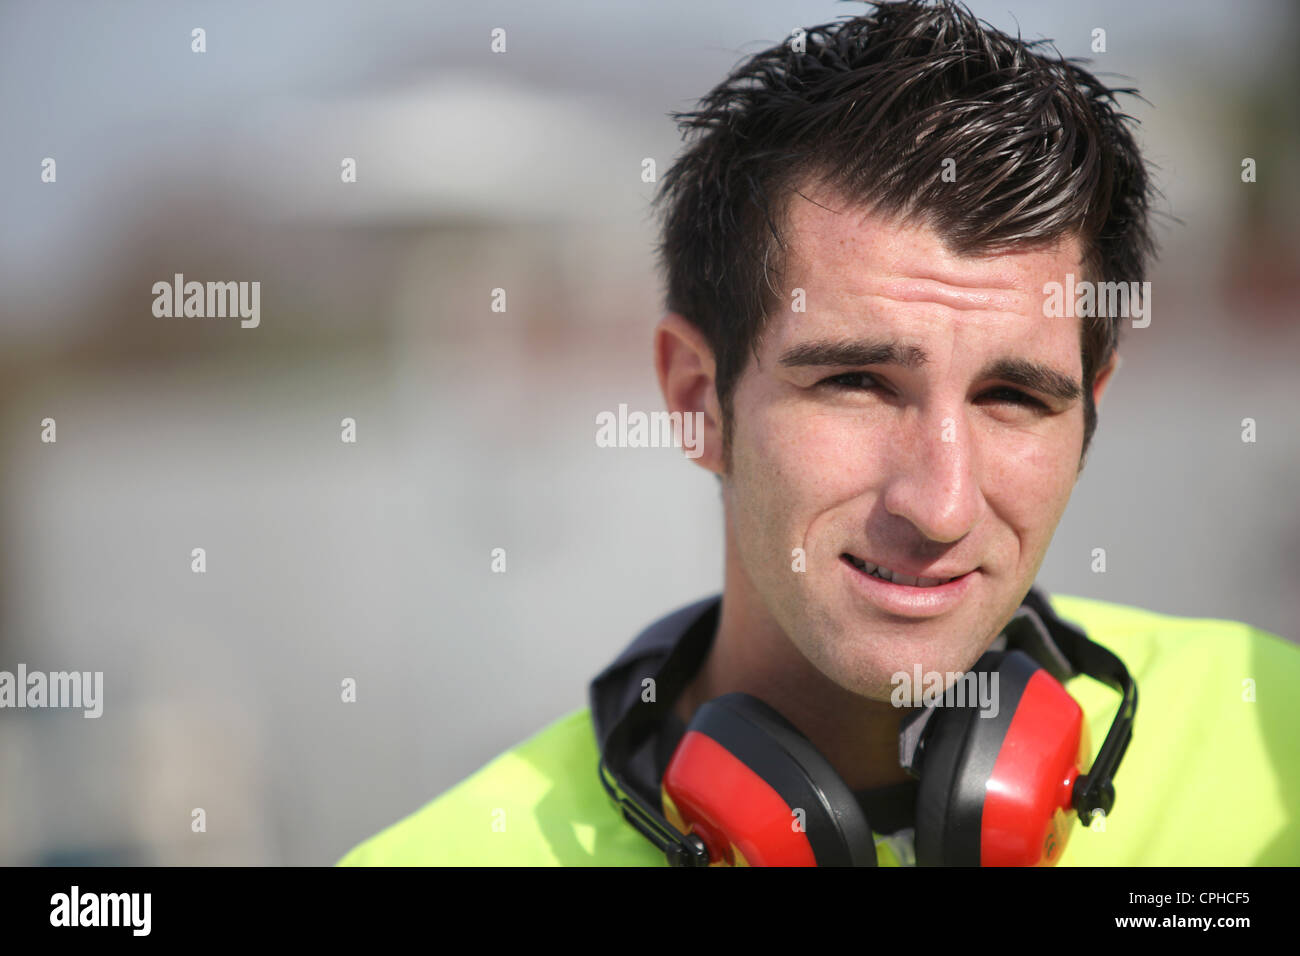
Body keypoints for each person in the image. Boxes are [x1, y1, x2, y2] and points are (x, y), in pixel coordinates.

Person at [338, 0, 1300, 866]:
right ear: (694, 398)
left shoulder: (1276, 738)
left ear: (1091, 411)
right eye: (857, 383)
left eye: (1014, 397)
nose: (941, 504)